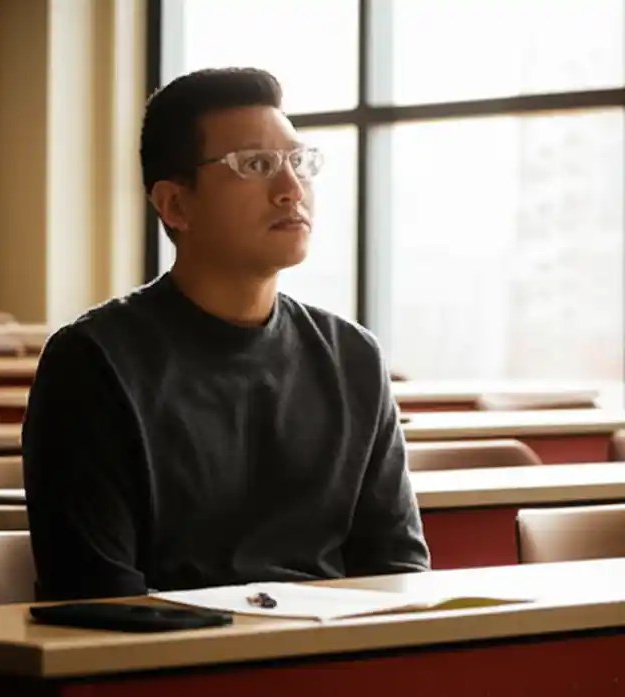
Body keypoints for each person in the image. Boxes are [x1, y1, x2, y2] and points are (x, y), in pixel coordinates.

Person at [22, 67, 429, 602]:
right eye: (255, 165)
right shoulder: (94, 361)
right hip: (170, 669)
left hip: (335, 665)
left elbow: (396, 567)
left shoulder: (352, 356)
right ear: (175, 205)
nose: (290, 190)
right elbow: (97, 596)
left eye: (298, 162)